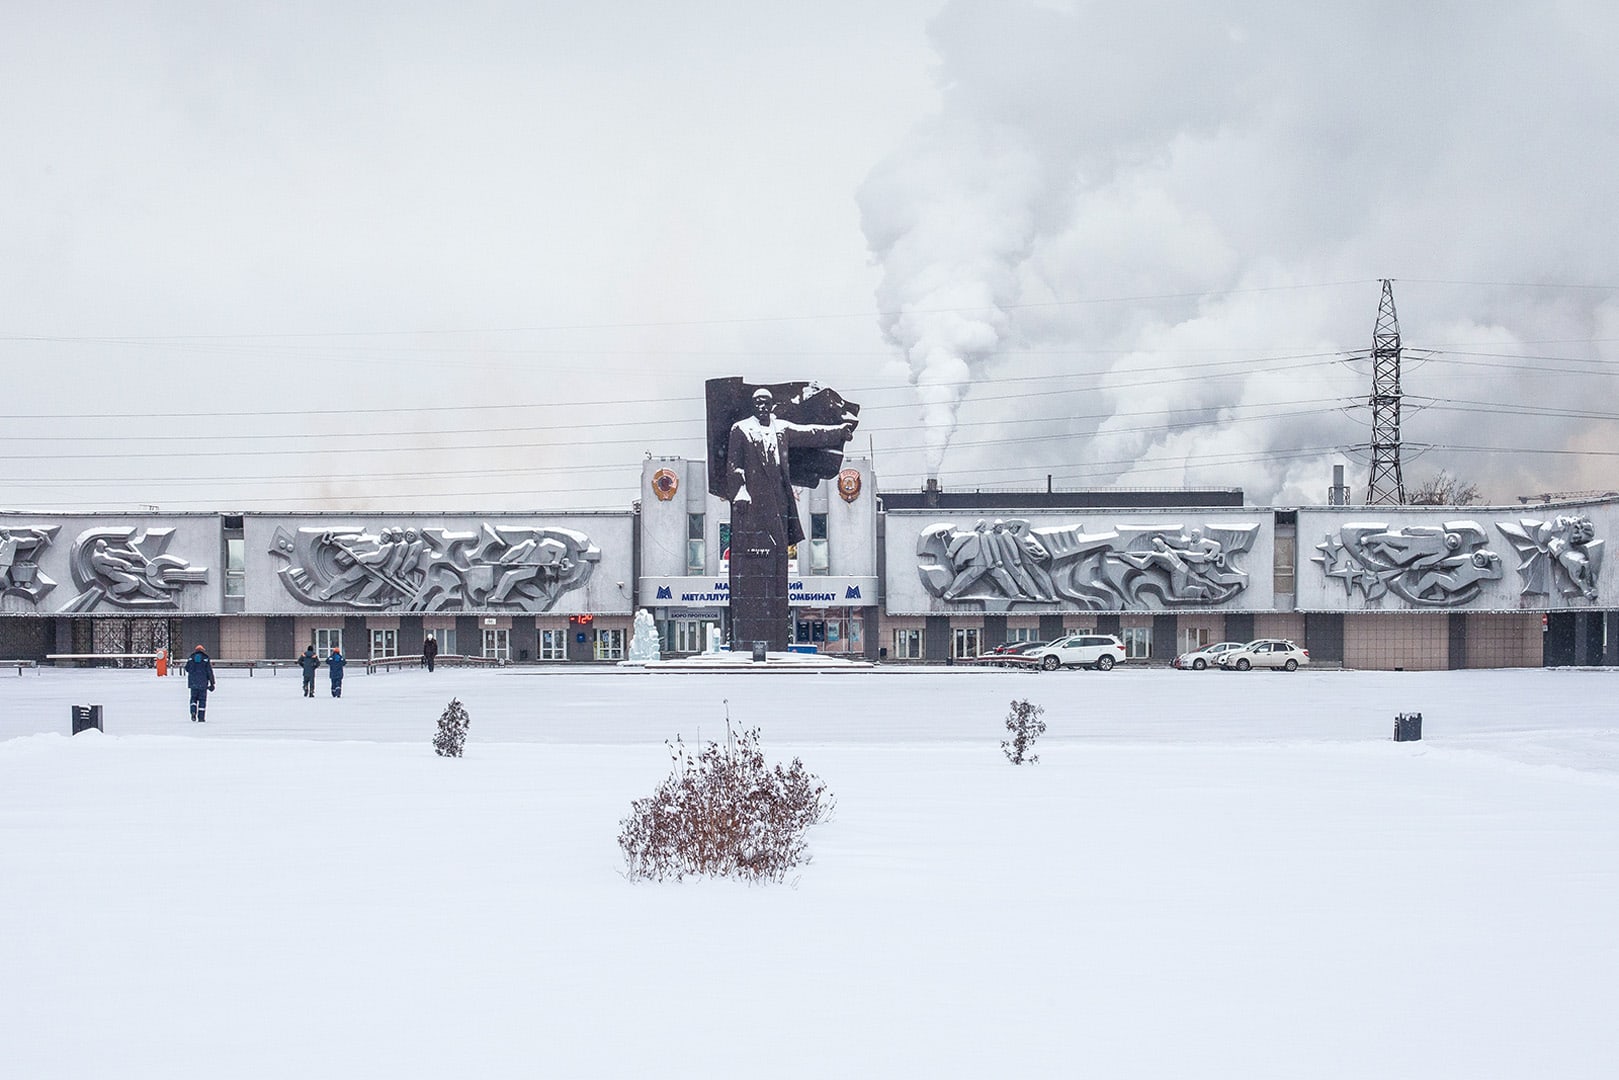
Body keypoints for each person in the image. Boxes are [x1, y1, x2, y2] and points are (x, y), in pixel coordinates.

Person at [724, 387, 855, 554]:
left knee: (778, 543)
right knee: (752, 546)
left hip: (778, 495)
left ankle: (777, 573)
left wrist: (839, 432)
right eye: (758, 403)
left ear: (771, 406)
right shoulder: (740, 428)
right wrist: (740, 491)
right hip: (752, 495)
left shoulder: (782, 428)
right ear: (753, 405)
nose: (762, 407)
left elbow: (810, 433)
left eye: (766, 403)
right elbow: (734, 465)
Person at [185, 644, 216, 722]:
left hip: (193, 683)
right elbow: (209, 671)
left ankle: (193, 711)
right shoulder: (205, 658)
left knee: (193, 699)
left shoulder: (191, 658)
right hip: (203, 683)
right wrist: (212, 683)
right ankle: (201, 717)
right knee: (202, 701)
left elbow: (187, 668)